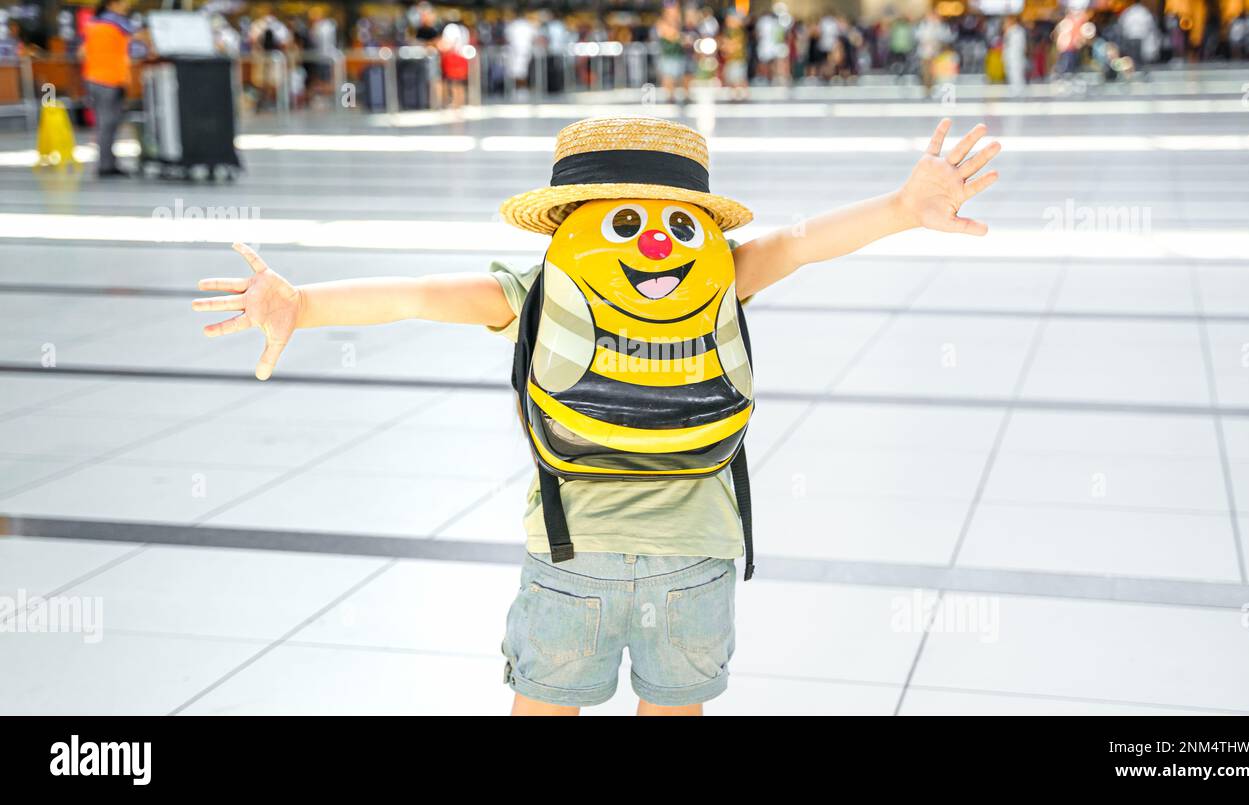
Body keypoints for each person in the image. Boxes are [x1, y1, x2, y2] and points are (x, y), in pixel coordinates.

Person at [191, 115, 1001, 716]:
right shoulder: (720, 271)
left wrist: (301, 303)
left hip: (569, 554)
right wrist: (901, 206)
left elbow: (416, 296)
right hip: (697, 557)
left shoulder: (536, 288)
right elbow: (799, 241)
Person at [78, 0, 145, 178]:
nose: (127, 6)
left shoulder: (93, 24)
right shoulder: (118, 23)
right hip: (110, 79)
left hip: (94, 77)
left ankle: (108, 163)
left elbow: (81, 52)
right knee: (109, 123)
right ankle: (106, 166)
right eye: (123, 3)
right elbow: (138, 42)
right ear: (111, 4)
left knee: (105, 123)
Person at [1003, 15, 1027, 96]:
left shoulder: (1017, 30)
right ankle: (1014, 89)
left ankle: (1018, 90)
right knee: (1011, 72)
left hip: (1016, 55)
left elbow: (1021, 45)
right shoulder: (1010, 31)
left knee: (1017, 72)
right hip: (1010, 55)